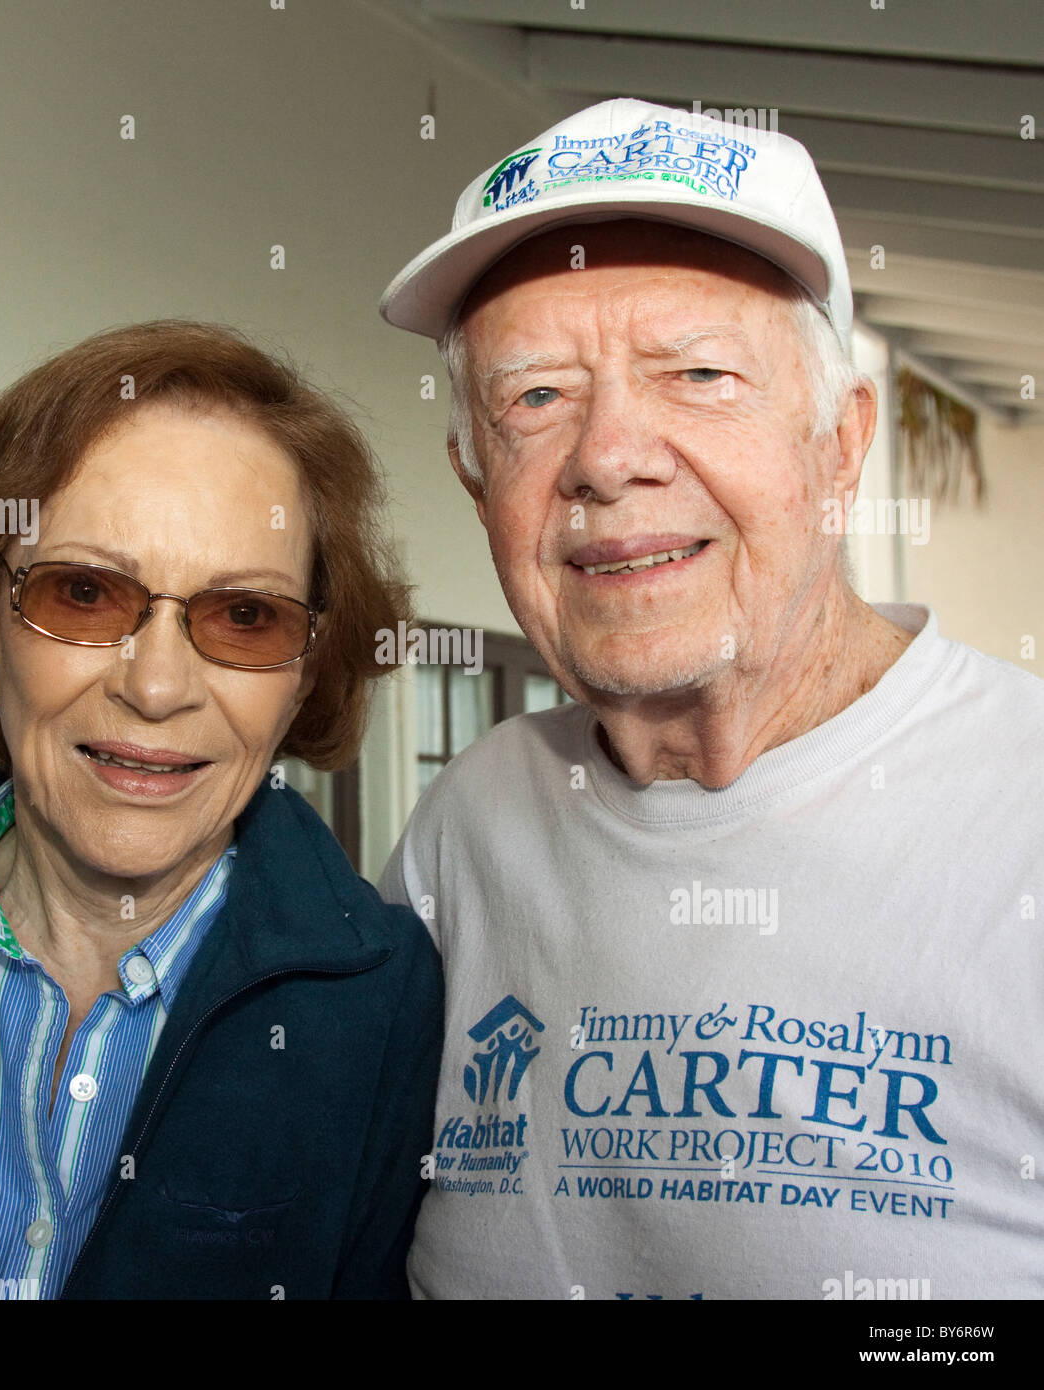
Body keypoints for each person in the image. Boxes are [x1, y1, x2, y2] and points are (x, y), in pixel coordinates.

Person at [377, 98, 1044, 1299]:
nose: (606, 454)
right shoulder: (466, 826)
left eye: (697, 374)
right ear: (476, 483)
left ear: (839, 446)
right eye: (533, 398)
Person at [0, 320, 442, 1300]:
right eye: (83, 593)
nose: (157, 688)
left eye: (244, 615)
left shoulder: (400, 1017)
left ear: (302, 671)